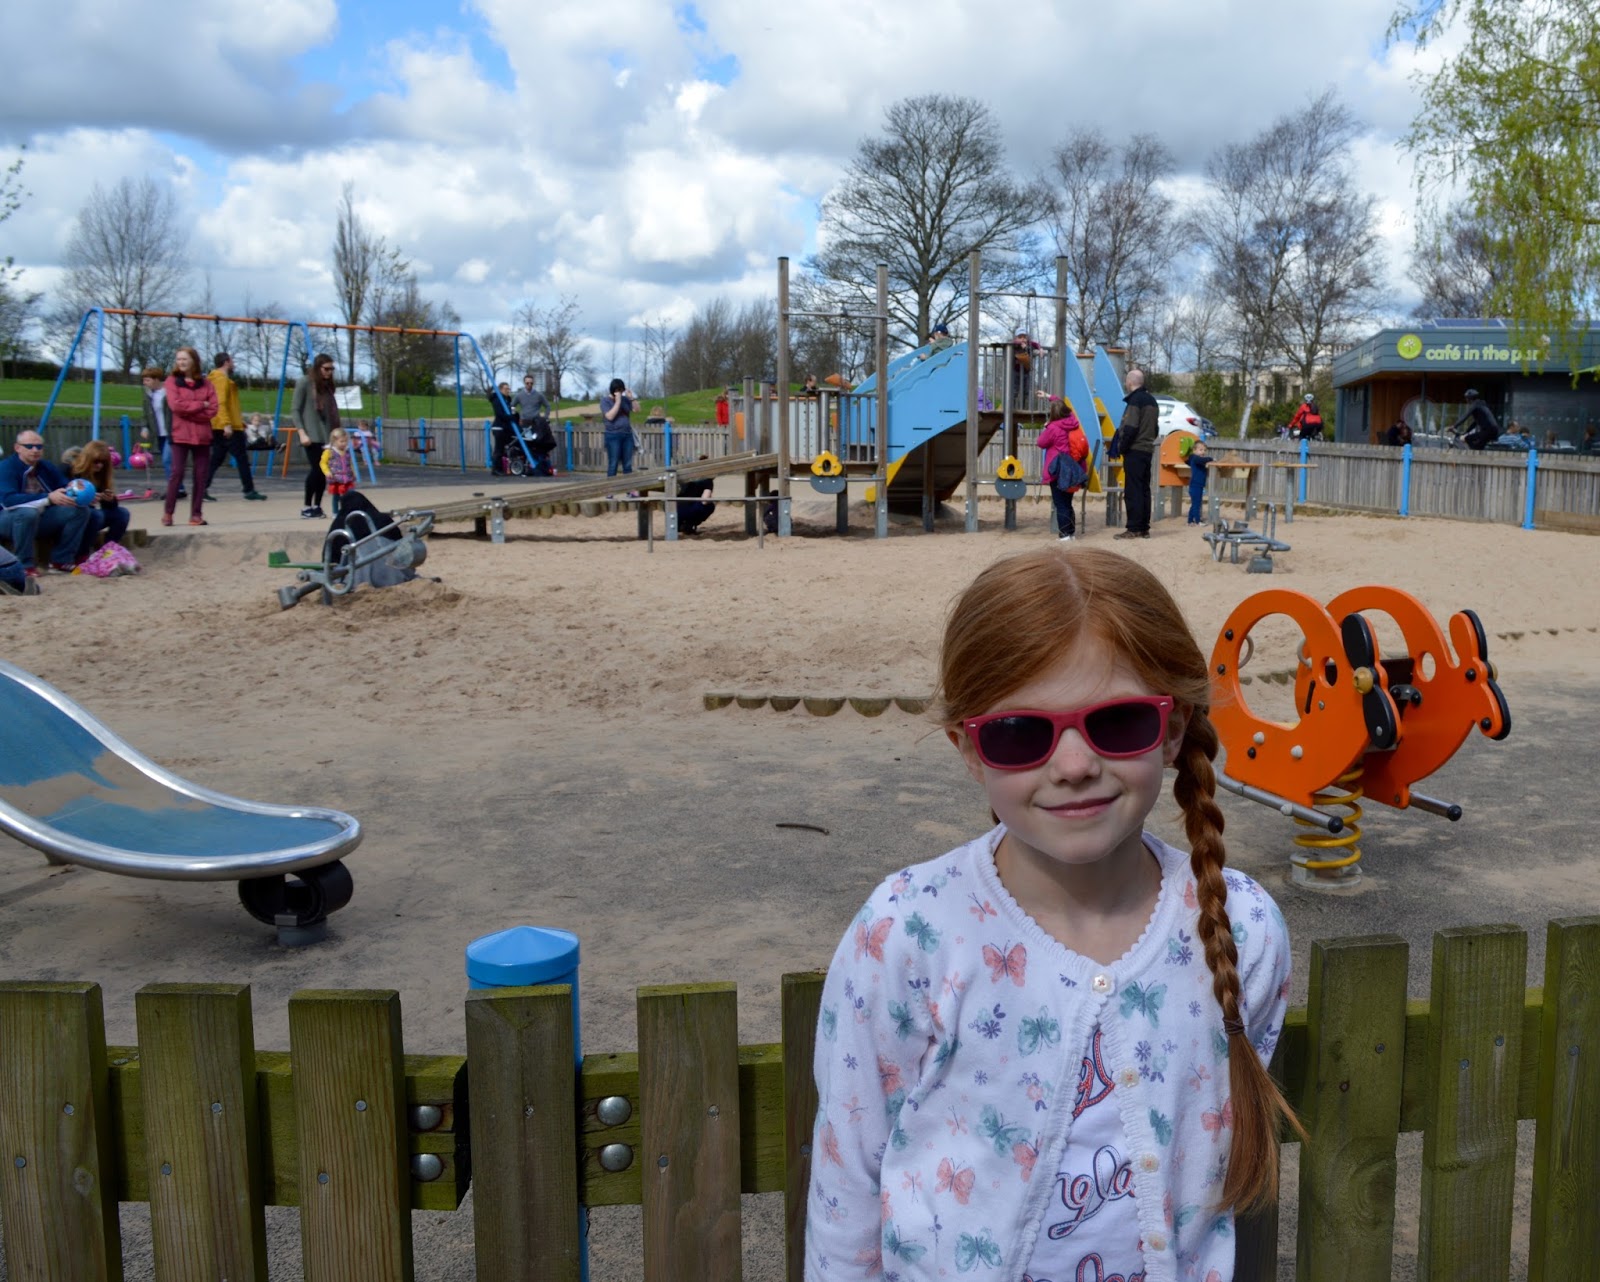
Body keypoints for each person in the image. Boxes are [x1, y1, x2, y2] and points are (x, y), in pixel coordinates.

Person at [805, 546, 1295, 1281]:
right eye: (1020, 733)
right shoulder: (909, 934)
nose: (1072, 764)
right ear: (968, 749)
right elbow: (848, 1185)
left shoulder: (1243, 930)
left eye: (1119, 722)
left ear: (1172, 729)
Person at [1, 430, 94, 575]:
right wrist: (48, 498)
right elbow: (8, 501)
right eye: (29, 446)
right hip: (7, 519)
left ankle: (61, 560)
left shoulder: (45, 466)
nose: (35, 450)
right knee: (27, 513)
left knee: (79, 511)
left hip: (39, 518)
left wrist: (83, 494)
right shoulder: (6, 468)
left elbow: (65, 487)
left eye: (39, 447)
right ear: (17, 448)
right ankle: (24, 565)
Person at [163, 347, 219, 527]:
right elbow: (175, 406)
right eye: (179, 359)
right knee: (177, 473)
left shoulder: (207, 384)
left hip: (202, 435)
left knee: (200, 475)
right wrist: (200, 405)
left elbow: (213, 409)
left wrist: (191, 410)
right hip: (180, 434)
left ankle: (196, 514)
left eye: (185, 359)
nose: (181, 362)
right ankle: (168, 512)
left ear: (194, 361)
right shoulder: (172, 381)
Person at [207, 352, 267, 502]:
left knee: (217, 458)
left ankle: (201, 487)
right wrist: (227, 423)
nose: (234, 364)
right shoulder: (221, 380)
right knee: (241, 458)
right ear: (226, 362)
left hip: (224, 425)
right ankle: (249, 490)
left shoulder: (216, 379)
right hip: (228, 427)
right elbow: (220, 403)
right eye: (232, 361)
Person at [1113, 367, 1159, 540]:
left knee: (1132, 490)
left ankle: (1133, 528)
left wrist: (1121, 447)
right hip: (1147, 449)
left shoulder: (1135, 400)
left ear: (1130, 382)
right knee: (1144, 489)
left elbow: (1130, 426)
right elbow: (1155, 428)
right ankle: (1144, 528)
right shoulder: (1152, 400)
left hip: (1135, 449)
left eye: (1126, 380)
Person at [293, 353, 339, 518]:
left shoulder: (327, 387)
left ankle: (317, 505)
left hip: (326, 436)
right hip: (311, 436)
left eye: (332, 369)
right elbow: (296, 410)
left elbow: (331, 412)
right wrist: (302, 432)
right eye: (326, 369)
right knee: (317, 469)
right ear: (318, 368)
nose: (329, 372)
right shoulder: (305, 382)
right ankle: (306, 506)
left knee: (324, 472)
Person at [1036, 397, 1089, 541]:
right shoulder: (1073, 423)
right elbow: (1069, 411)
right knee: (1068, 502)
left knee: (1060, 504)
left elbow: (1040, 442)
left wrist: (1047, 426)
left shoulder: (1053, 428)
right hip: (1072, 468)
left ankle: (1064, 534)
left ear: (1053, 414)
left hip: (1058, 469)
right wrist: (1050, 397)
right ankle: (1071, 532)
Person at [69, 439, 131, 555]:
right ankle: (82, 554)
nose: (100, 465)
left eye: (103, 462)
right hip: (75, 515)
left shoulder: (100, 475)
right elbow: (65, 496)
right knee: (96, 515)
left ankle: (108, 551)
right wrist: (87, 499)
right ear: (88, 459)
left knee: (122, 514)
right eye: (96, 461)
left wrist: (110, 499)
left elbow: (110, 507)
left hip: (91, 514)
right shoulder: (71, 471)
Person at [141, 365, 175, 491]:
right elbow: (146, 413)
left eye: (147, 380)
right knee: (170, 463)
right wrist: (145, 427)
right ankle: (179, 488)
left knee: (167, 460)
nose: (145, 383)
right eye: (144, 380)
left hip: (171, 432)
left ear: (156, 379)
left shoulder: (168, 393)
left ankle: (173, 489)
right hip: (159, 433)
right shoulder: (148, 395)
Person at [600, 378, 636, 479]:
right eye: (618, 390)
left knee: (628, 464)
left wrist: (631, 398)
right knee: (613, 463)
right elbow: (610, 416)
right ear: (613, 390)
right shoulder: (605, 401)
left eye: (621, 390)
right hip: (613, 435)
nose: (620, 393)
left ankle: (629, 489)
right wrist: (618, 401)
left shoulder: (625, 400)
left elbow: (637, 410)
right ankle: (611, 489)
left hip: (627, 434)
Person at [319, 427, 358, 516]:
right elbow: (323, 463)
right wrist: (327, 472)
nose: (344, 444)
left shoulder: (346, 451)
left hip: (347, 477)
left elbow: (350, 463)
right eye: (341, 441)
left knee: (350, 495)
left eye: (345, 441)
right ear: (334, 441)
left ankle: (348, 510)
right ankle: (335, 512)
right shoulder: (329, 452)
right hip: (335, 477)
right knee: (336, 496)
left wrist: (354, 472)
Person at [678, 455, 717, 535]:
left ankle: (678, 524)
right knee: (710, 506)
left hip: (675, 509)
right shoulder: (707, 481)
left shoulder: (687, 476)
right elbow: (704, 500)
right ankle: (689, 524)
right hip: (691, 509)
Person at [490, 381, 517, 474]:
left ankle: (502, 467)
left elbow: (510, 412)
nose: (507, 391)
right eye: (505, 389)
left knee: (505, 448)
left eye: (508, 389)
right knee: (499, 448)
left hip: (506, 428)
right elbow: (500, 414)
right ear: (501, 390)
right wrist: (511, 417)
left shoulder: (508, 400)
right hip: (499, 427)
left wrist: (515, 416)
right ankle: (495, 469)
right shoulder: (497, 400)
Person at [1185, 437, 1213, 524]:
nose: (1203, 452)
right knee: (1196, 504)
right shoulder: (1195, 458)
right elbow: (1200, 460)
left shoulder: (1197, 460)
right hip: (1195, 485)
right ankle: (1197, 521)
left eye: (1204, 450)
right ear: (1194, 450)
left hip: (1199, 485)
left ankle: (1190, 520)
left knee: (1195, 503)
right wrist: (1210, 459)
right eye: (1200, 450)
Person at [1010, 330, 1039, 403]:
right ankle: (1012, 406)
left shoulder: (1028, 345)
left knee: (1026, 390)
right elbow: (1012, 345)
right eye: (1020, 337)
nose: (1022, 339)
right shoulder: (1014, 346)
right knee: (1014, 390)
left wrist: (1039, 349)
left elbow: (1035, 345)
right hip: (1015, 371)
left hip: (1026, 371)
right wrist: (1018, 343)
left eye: (1024, 337)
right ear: (1016, 338)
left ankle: (1023, 406)